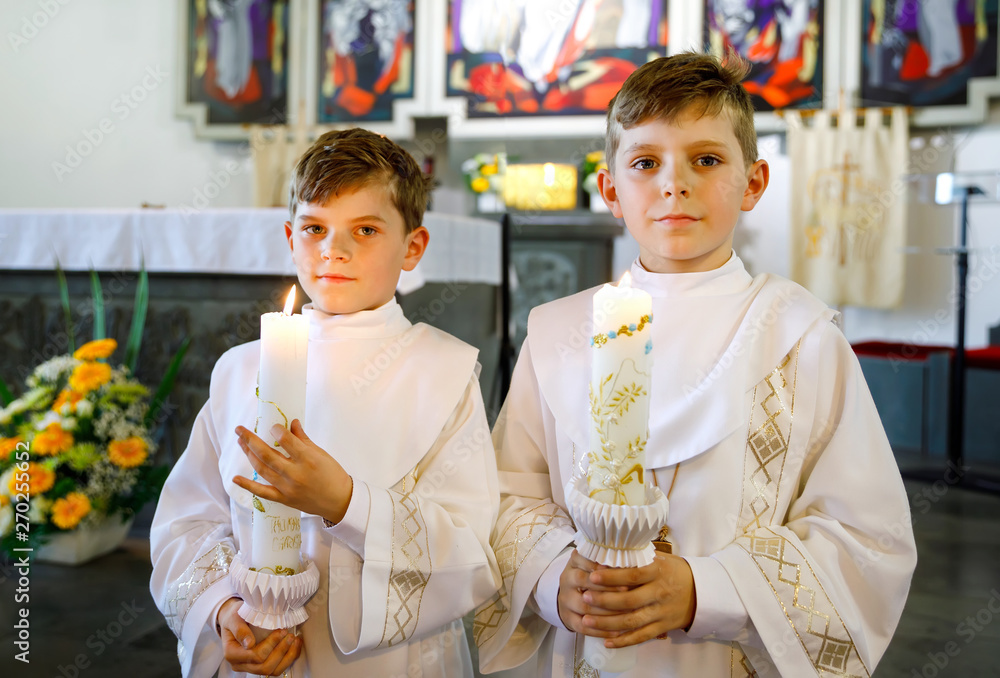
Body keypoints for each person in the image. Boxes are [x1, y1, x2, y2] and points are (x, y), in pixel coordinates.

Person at [474, 53, 917, 677]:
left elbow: (867, 539)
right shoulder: (558, 336)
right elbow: (506, 496)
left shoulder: (801, 338)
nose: (672, 184)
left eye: (705, 160)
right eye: (645, 163)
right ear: (611, 191)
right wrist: (552, 576)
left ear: (754, 181)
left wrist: (705, 590)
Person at [150, 128, 501, 678]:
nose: (333, 251)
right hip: (259, 651)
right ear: (291, 237)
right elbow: (188, 522)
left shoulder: (444, 372)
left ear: (412, 247)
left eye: (365, 229)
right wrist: (223, 614)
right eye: (315, 229)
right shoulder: (241, 369)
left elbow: (471, 551)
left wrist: (345, 503)